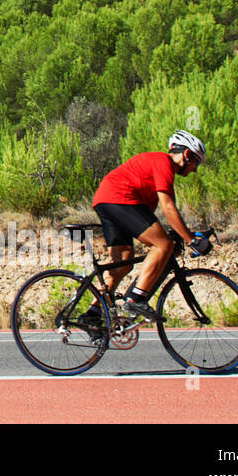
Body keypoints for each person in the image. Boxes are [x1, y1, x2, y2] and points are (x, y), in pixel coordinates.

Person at [82, 131, 212, 331]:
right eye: (197, 162)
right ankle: (136, 299)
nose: (195, 169)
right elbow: (168, 208)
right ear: (186, 155)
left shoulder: (157, 167)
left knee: (122, 266)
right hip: (119, 198)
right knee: (162, 245)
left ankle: (91, 315)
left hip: (107, 200)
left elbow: (145, 222)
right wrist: (190, 240)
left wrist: (176, 237)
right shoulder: (164, 163)